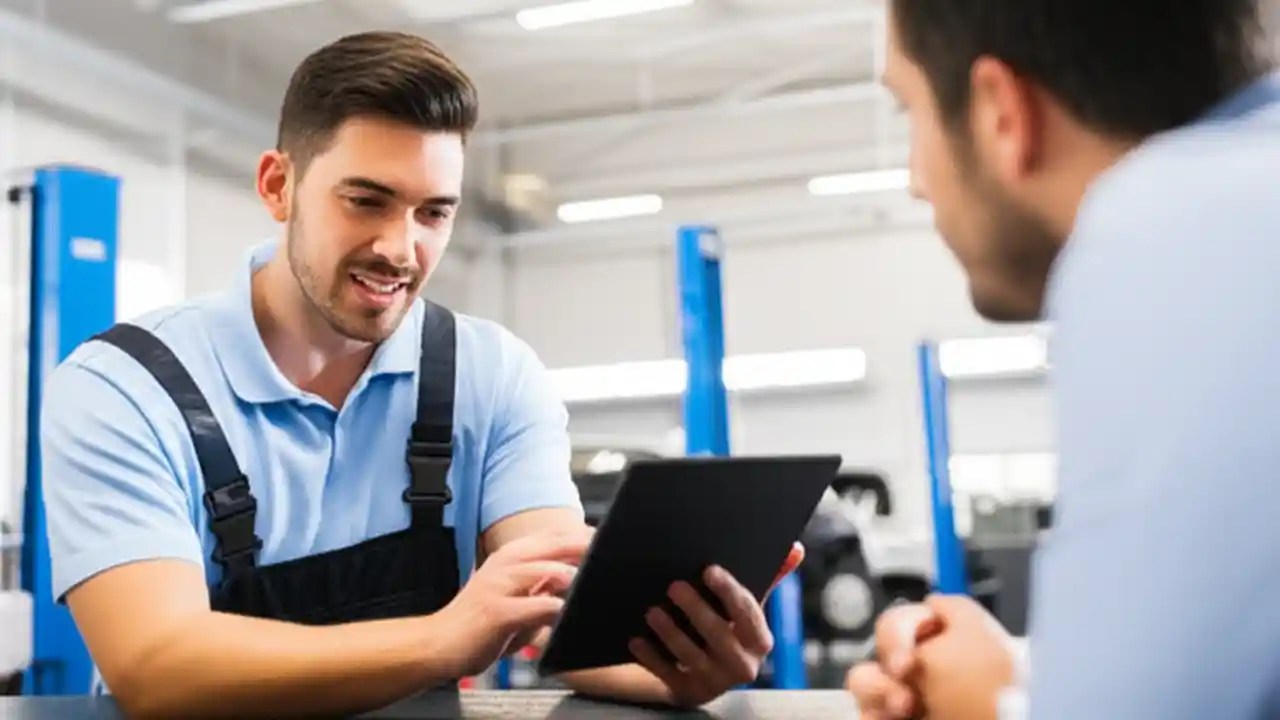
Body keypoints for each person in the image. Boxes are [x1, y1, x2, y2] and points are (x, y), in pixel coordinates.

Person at [39, 31, 800, 719]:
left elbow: (562, 613)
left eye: (433, 213)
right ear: (277, 186)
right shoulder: (125, 388)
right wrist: (443, 638)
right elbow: (157, 665)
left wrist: (676, 667)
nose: (399, 249)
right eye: (366, 201)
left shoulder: (491, 376)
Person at [848, 1, 1280, 719]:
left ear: (1001, 113)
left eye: (911, 112)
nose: (916, 180)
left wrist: (986, 707)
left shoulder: (1170, 231)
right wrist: (1019, 680)